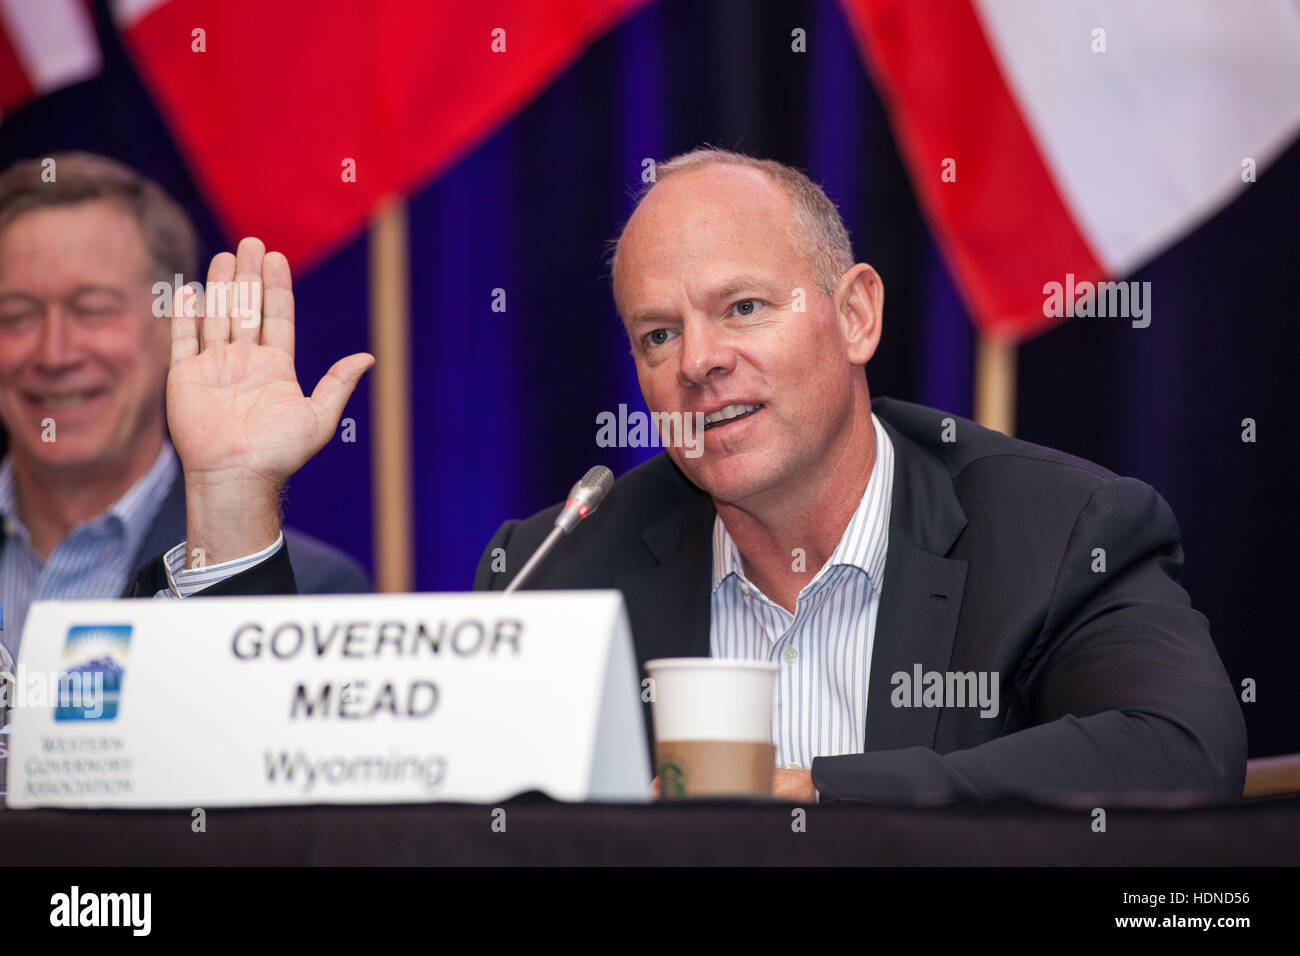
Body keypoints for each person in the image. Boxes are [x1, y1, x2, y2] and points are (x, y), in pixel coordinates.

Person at [149, 148, 1246, 805]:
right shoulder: (567, 560)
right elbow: (347, 802)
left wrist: (810, 794)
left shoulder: (1053, 527)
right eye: (658, 332)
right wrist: (235, 500)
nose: (699, 359)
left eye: (743, 308)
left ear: (856, 312)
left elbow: (1180, 750)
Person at [0, 152, 369, 678]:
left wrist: (231, 498)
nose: (54, 353)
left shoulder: (309, 594)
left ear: (178, 321)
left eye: (94, 309)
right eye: (15, 315)